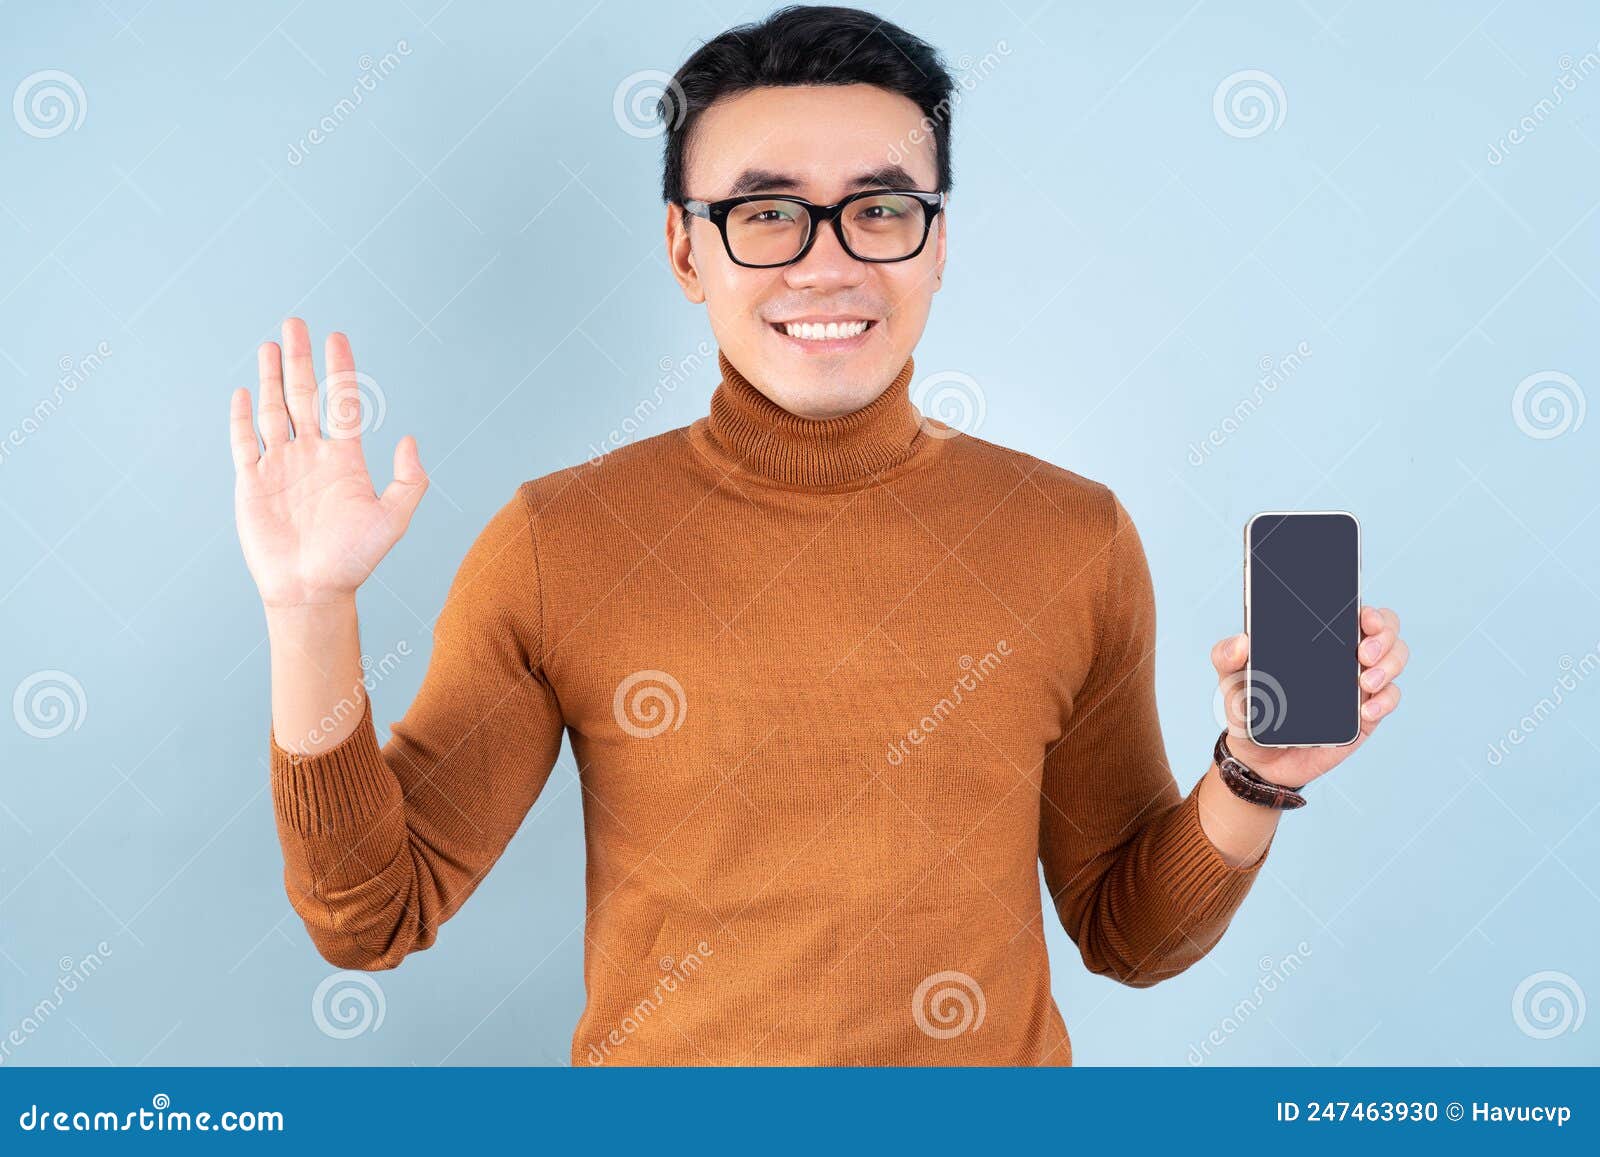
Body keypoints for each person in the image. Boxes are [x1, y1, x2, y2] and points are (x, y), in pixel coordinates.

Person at [228, 5, 1408, 1065]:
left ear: (937, 243)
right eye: (766, 211)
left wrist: (1253, 774)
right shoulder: (558, 541)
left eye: (881, 208)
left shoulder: (1071, 535)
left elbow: (1129, 933)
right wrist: (308, 614)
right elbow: (368, 915)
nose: (827, 260)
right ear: (686, 249)